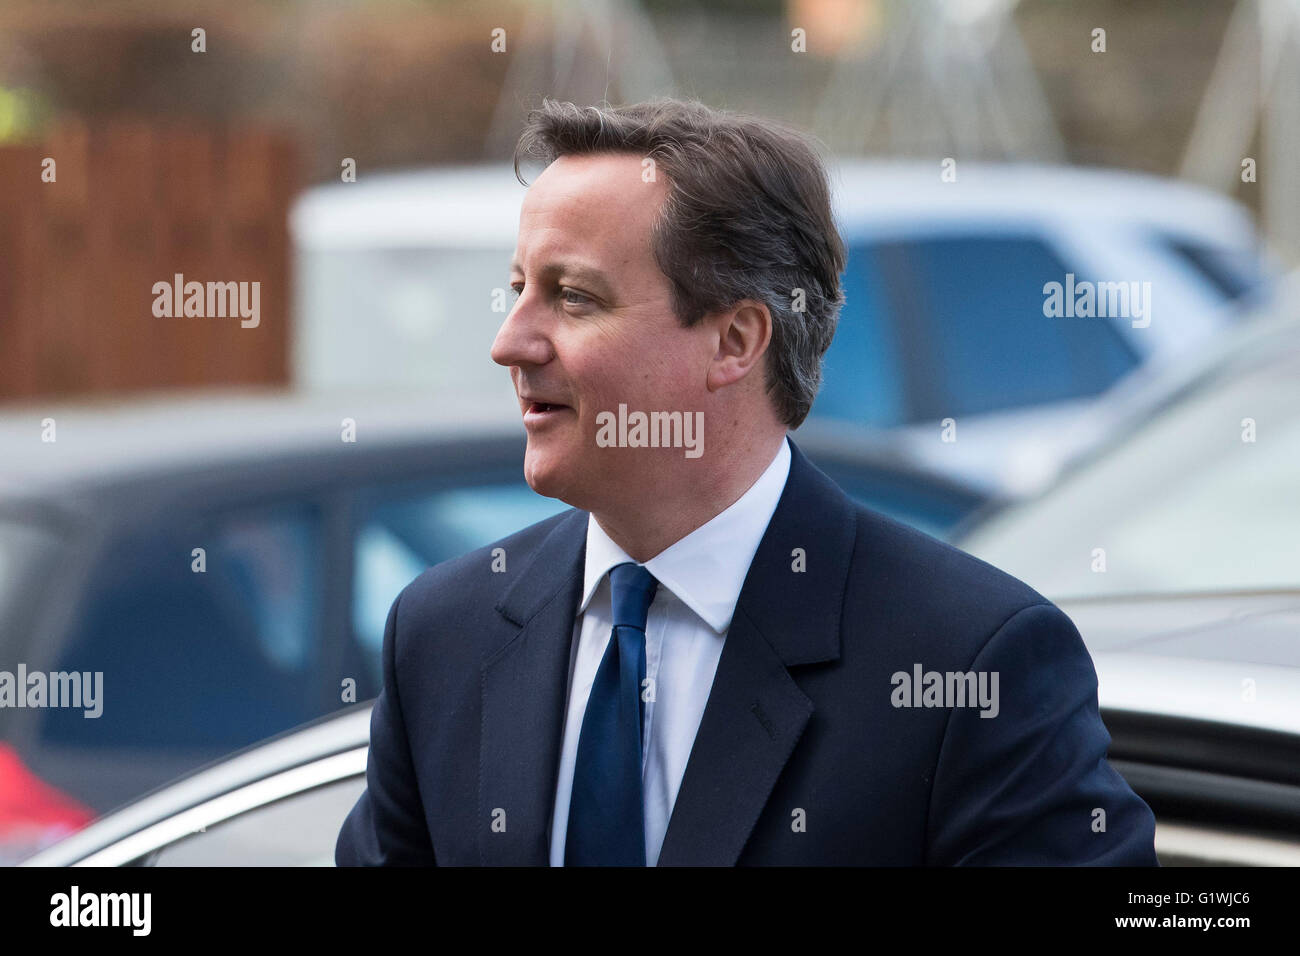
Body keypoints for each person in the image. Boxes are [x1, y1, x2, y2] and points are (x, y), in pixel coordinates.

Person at [336, 97, 1159, 866]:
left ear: (734, 340)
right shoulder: (445, 634)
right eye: (518, 290)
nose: (510, 342)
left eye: (573, 297)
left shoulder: (973, 661)